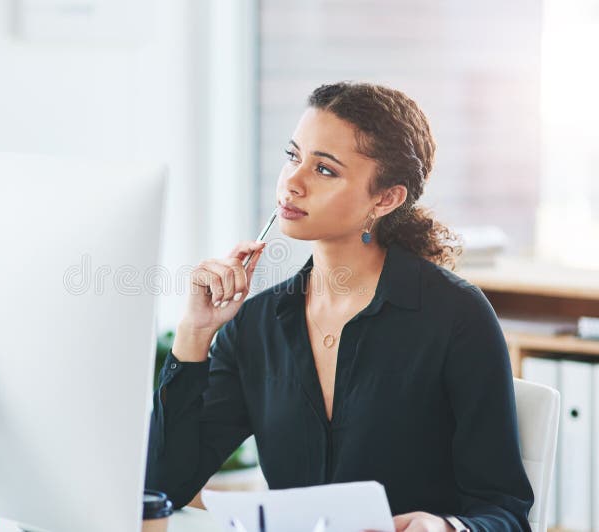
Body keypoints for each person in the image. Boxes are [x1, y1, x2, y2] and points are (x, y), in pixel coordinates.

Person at [145, 81, 534, 532]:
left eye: (325, 170)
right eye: (293, 157)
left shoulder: (456, 317)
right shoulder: (256, 325)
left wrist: (444, 528)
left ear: (385, 199)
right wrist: (195, 333)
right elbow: (163, 488)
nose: (292, 182)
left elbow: (505, 512)